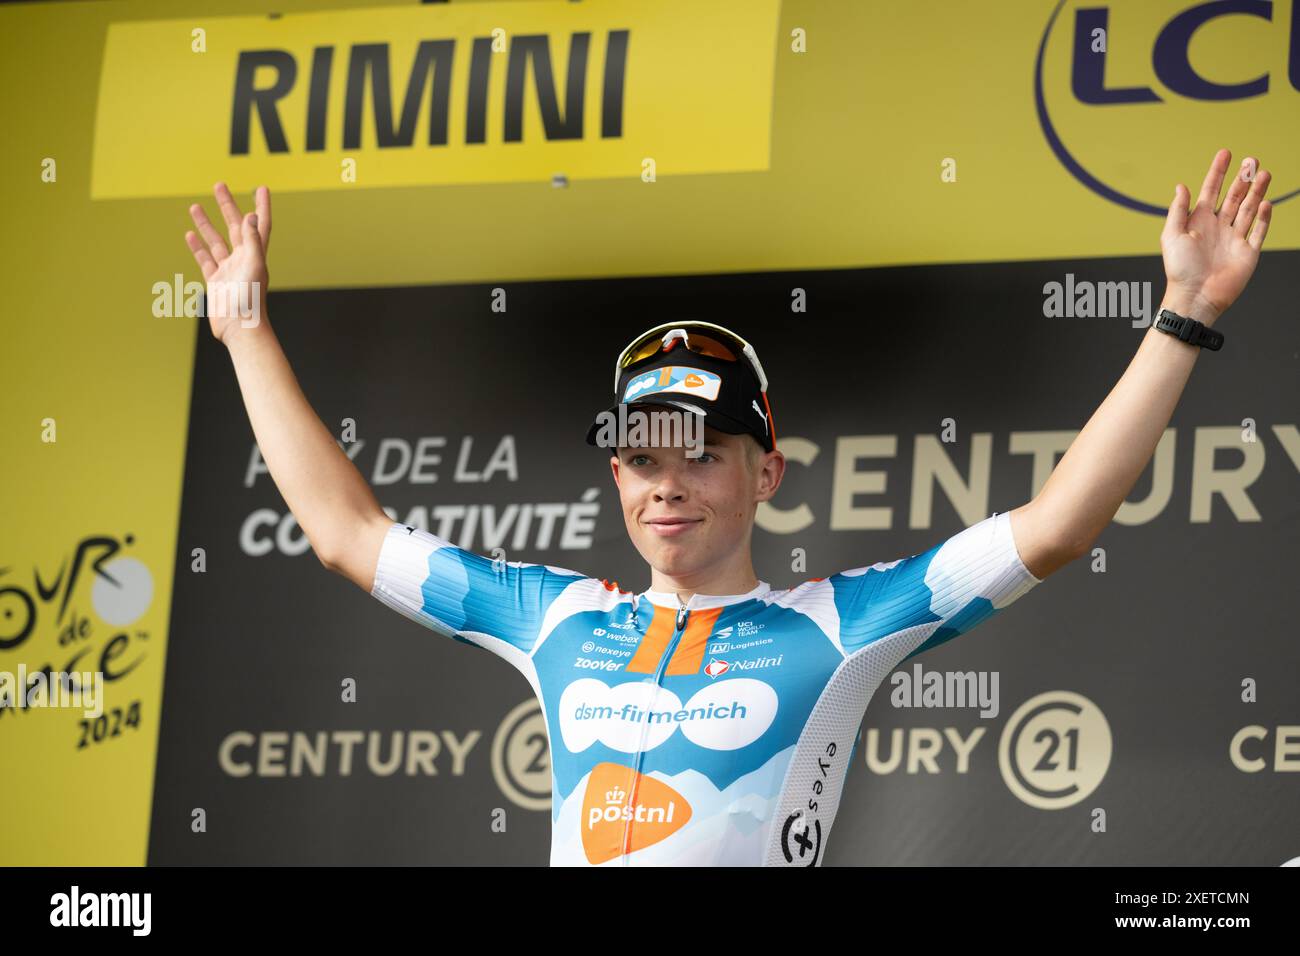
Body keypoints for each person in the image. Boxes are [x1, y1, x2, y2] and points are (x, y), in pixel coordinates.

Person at [183, 148, 1273, 866]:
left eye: (702, 455)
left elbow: (1053, 527)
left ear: (766, 473)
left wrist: (1179, 313)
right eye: (640, 456)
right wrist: (244, 335)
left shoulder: (836, 624)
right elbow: (345, 535)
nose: (667, 481)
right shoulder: (557, 618)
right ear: (614, 477)